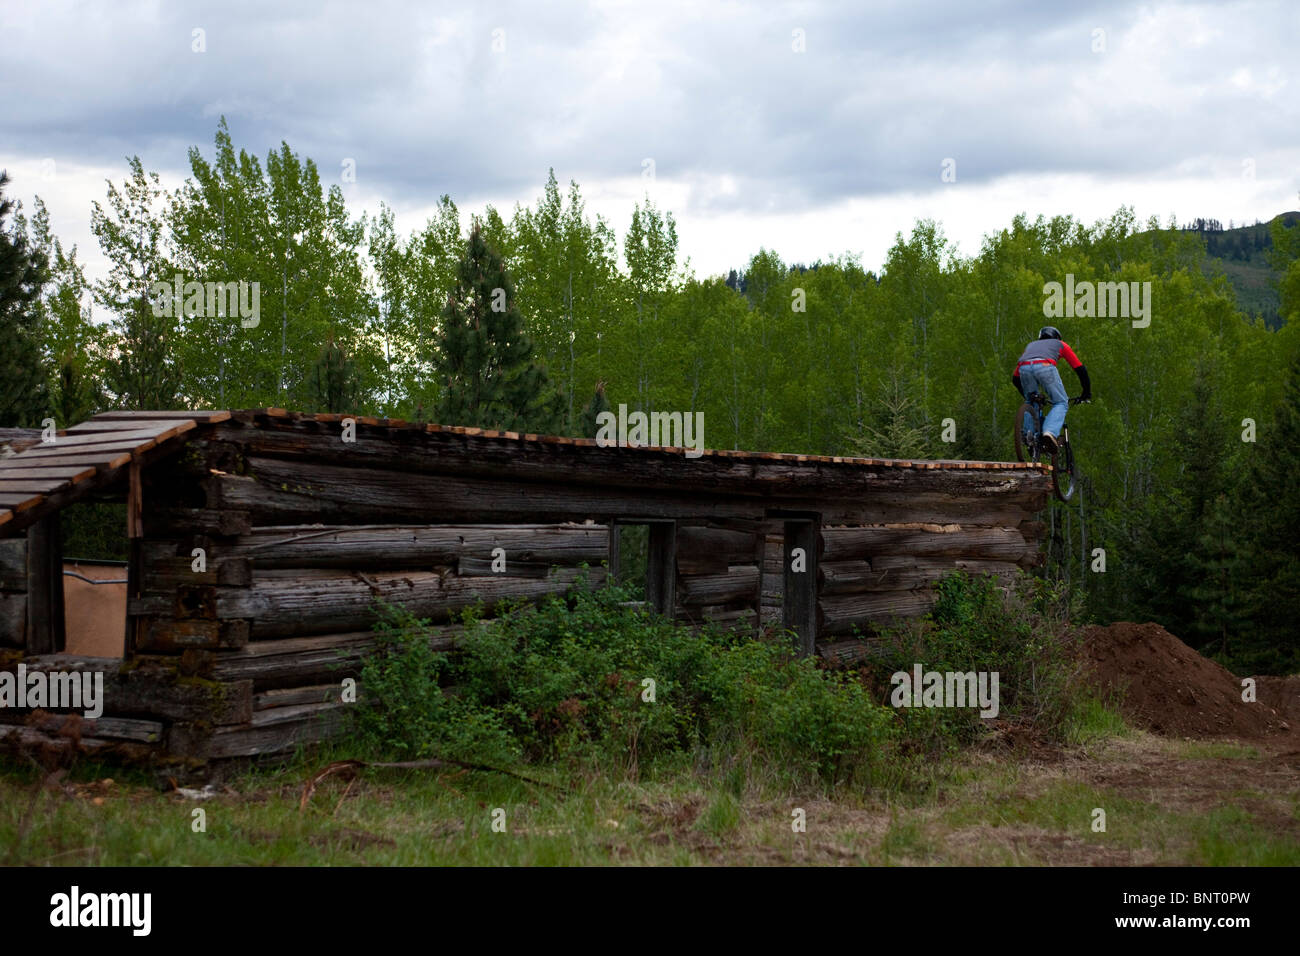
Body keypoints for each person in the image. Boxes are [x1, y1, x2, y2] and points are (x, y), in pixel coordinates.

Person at [1011, 326, 1091, 453]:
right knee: (1061, 402)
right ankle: (1049, 432)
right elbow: (1080, 369)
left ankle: (1028, 436)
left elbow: (1015, 379)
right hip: (1045, 366)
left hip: (1024, 368)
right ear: (1057, 337)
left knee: (1031, 402)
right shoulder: (1061, 344)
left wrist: (1029, 398)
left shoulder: (1031, 346)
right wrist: (1086, 393)